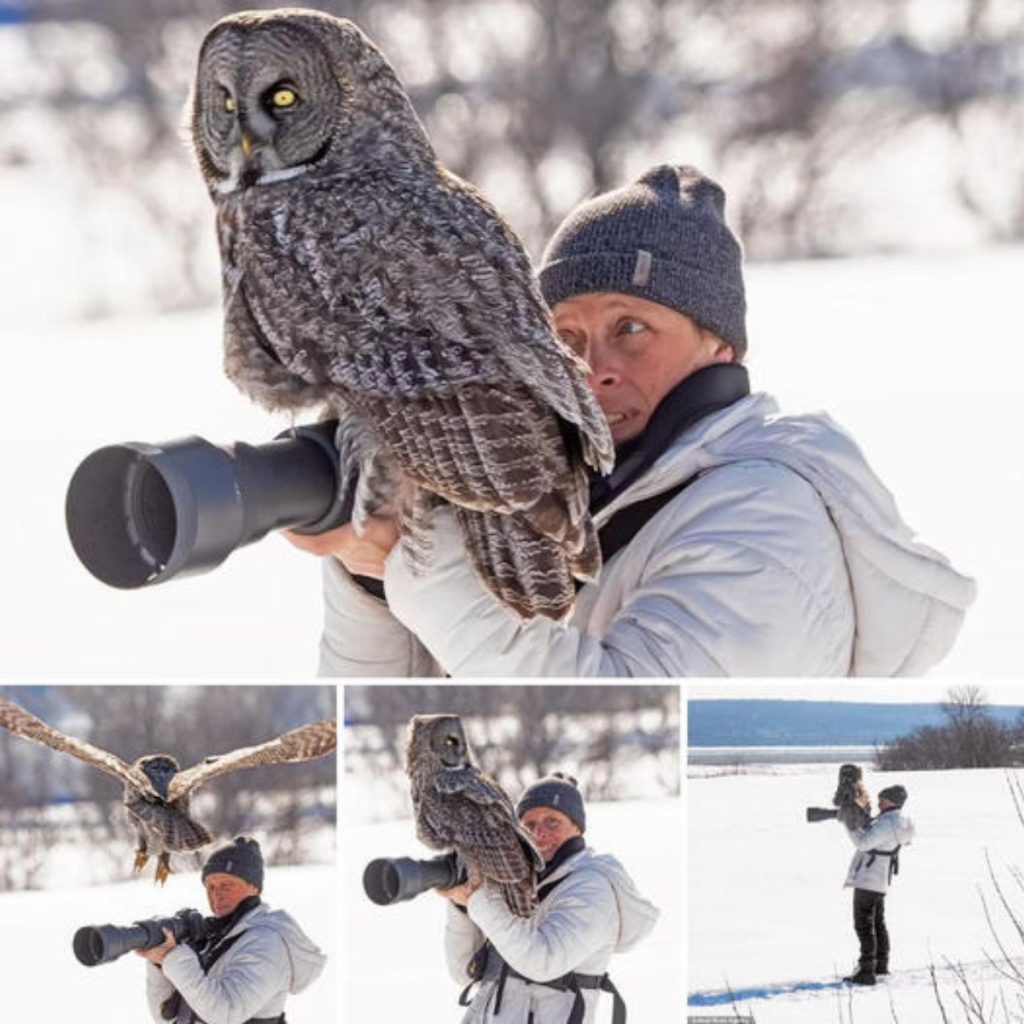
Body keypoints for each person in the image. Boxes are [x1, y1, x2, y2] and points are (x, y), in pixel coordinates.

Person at [289, 163, 975, 677]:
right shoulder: (566, 504)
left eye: (632, 328)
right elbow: (390, 708)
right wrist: (372, 577)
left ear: (721, 346)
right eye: (567, 337)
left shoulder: (766, 514)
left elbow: (616, 703)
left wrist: (421, 561)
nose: (593, 368)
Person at [436, 773, 659, 1023]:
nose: (539, 833)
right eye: (529, 825)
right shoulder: (515, 885)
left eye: (553, 822)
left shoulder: (593, 888)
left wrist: (477, 900)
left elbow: (543, 961)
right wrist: (462, 906)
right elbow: (465, 973)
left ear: (577, 827)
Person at [137, 836, 326, 1024]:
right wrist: (160, 966)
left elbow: (226, 1013)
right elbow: (167, 1018)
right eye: (210, 887)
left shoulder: (267, 942)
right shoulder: (217, 939)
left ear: (254, 887)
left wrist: (174, 958)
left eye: (226, 885)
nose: (216, 894)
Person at [841, 785, 915, 986]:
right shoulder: (902, 820)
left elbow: (864, 843)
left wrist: (850, 825)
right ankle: (880, 965)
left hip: (869, 876)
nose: (879, 803)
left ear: (891, 801)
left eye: (882, 799)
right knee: (877, 923)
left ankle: (866, 970)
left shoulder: (888, 821)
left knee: (864, 924)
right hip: (881, 877)